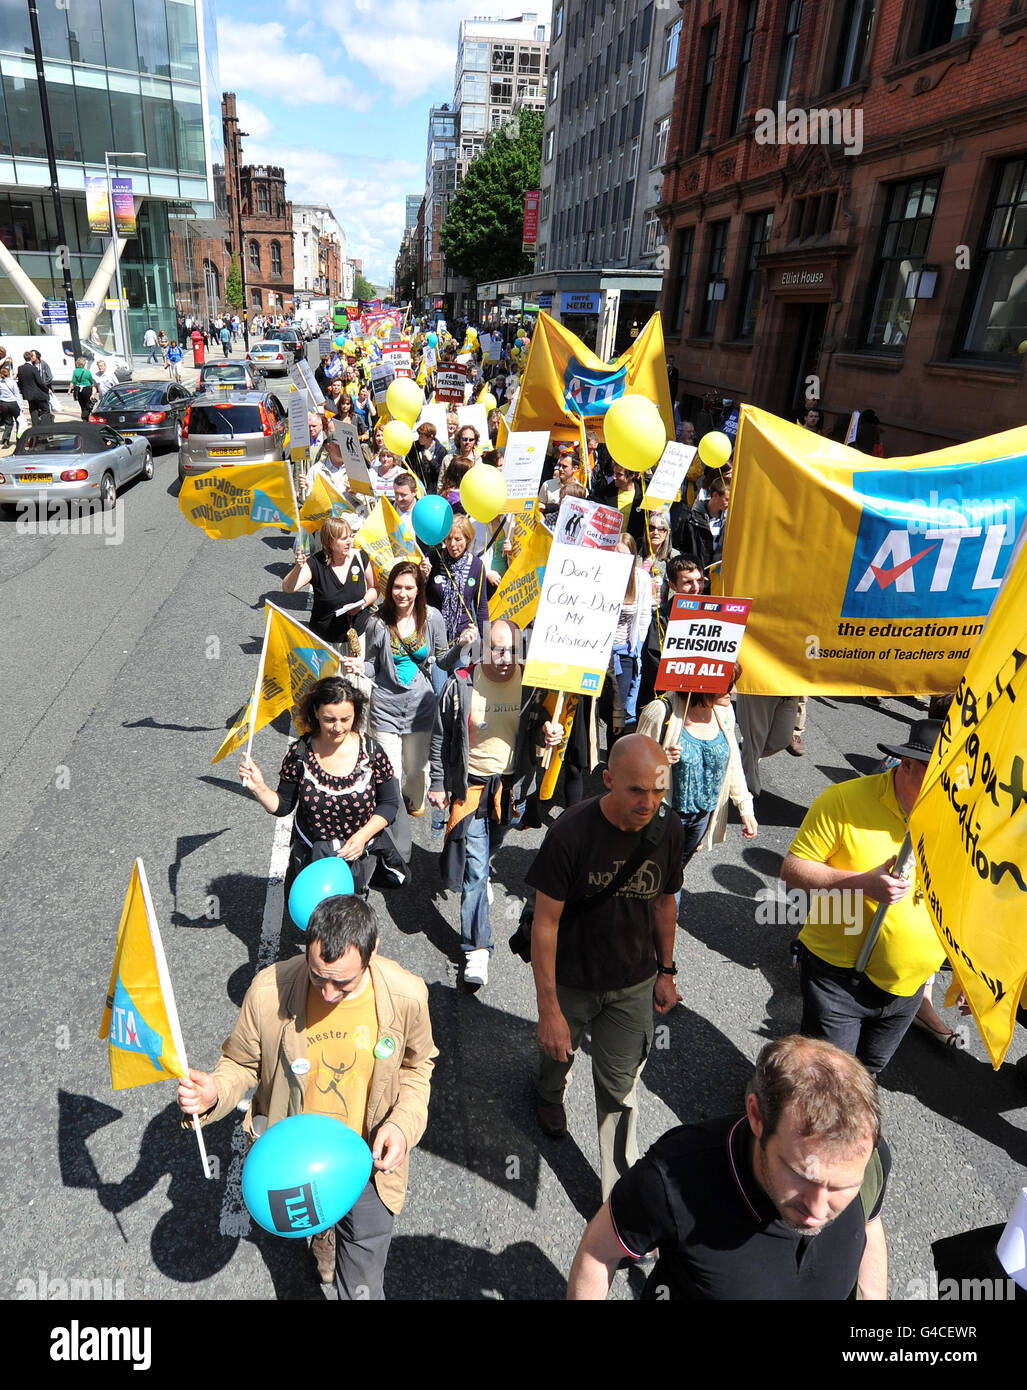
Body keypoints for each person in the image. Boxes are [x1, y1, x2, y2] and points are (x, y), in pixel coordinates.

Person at [177, 894, 436, 1298]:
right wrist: (214, 1091)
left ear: (373, 951)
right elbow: (241, 1064)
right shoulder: (268, 992)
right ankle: (323, 1235)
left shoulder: (406, 997)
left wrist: (402, 1126)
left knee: (364, 1283)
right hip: (296, 1160)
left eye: (343, 982)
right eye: (318, 977)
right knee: (319, 1228)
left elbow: (417, 1068)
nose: (329, 993)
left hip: (368, 1162)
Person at [567, 1035, 889, 1300]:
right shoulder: (672, 1178)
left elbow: (870, 1226)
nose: (817, 1211)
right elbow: (598, 1254)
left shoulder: (868, 1160)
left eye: (840, 1187)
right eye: (800, 1175)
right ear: (757, 1116)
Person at [527, 734, 685, 1198]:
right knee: (557, 1053)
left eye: (659, 792)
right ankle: (547, 1092)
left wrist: (667, 970)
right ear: (608, 779)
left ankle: (620, 1200)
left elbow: (664, 903)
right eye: (637, 790)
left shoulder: (667, 829)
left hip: (633, 984)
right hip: (572, 980)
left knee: (620, 1092)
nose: (649, 803)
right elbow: (545, 924)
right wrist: (550, 1010)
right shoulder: (570, 835)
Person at [780, 719, 946, 1076]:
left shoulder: (956, 818)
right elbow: (793, 870)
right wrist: (862, 884)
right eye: (938, 776)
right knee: (828, 1078)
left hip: (908, 988)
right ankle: (777, 1122)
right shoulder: (844, 800)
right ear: (907, 765)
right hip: (837, 977)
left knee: (867, 1072)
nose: (947, 788)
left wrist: (967, 973)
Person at [429, 618, 561, 987]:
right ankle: (477, 949)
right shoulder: (461, 683)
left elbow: (537, 726)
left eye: (512, 649)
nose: (504, 657)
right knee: (474, 871)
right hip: (469, 787)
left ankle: (486, 860)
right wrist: (438, 783)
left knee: (493, 844)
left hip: (510, 788)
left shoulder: (531, 686)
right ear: (482, 648)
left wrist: (548, 732)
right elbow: (440, 737)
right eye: (497, 649)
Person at [238, 676, 404, 900]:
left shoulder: (372, 752)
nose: (338, 728)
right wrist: (259, 788)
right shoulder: (300, 753)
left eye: (346, 719)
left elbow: (389, 804)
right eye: (329, 719)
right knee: (316, 922)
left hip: (358, 856)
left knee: (350, 920)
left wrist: (363, 837)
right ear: (316, 713)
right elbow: (283, 806)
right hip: (311, 856)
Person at [354, 562, 455, 818]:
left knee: (415, 772)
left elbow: (442, 660)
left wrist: (462, 647)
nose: (402, 593)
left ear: (418, 590)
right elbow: (372, 665)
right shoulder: (377, 622)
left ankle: (411, 802)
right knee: (390, 773)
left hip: (421, 706)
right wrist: (358, 666)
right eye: (397, 587)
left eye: (409, 587)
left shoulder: (432, 618)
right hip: (386, 706)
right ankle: (393, 825)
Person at [283, 515, 377, 656]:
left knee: (354, 678)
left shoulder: (360, 557)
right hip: (324, 641)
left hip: (355, 639)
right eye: (344, 538)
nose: (349, 542)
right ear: (330, 542)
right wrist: (298, 567)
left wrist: (362, 605)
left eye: (350, 536)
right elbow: (288, 588)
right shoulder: (316, 563)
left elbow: (374, 588)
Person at [605, 534, 652, 737]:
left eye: (624, 555)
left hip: (623, 653)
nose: (618, 560)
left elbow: (643, 617)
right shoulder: (600, 575)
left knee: (617, 715)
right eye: (613, 554)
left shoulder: (641, 579)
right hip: (599, 652)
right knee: (593, 709)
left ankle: (614, 762)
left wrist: (636, 651)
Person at [426, 515, 490, 643]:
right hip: (433, 633)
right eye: (448, 539)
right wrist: (423, 576)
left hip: (462, 636)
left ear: (468, 539)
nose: (452, 544)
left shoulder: (476, 565)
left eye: (458, 539)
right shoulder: (433, 558)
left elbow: (481, 605)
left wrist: (487, 640)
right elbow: (419, 594)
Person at [676, 474, 730, 576]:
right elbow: (681, 547)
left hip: (718, 575)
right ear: (715, 495)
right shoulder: (690, 518)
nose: (729, 503)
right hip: (695, 573)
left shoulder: (729, 520)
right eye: (726, 499)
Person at [538, 448, 579, 530]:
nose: (560, 469)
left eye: (564, 467)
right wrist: (544, 525)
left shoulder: (581, 491)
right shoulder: (547, 485)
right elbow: (538, 509)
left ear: (574, 468)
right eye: (559, 465)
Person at [406, 420, 447, 494]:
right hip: (418, 488)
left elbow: (442, 472)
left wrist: (431, 460)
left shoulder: (441, 450)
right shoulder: (414, 447)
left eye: (422, 436)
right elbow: (408, 464)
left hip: (434, 489)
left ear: (431, 436)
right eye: (419, 435)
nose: (419, 438)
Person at [16, 352, 51, 426]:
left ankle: (35, 427)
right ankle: (46, 426)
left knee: (33, 410)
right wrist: (47, 389)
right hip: (38, 394)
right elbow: (40, 382)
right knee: (45, 410)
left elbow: (20, 381)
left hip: (28, 394)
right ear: (31, 358)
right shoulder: (33, 368)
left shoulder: (20, 368)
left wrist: (22, 391)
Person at [0, 360, 23, 446]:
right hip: (13, 403)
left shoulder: (0, 383)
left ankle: (6, 439)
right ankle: (19, 438)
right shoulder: (12, 382)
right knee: (18, 421)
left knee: (8, 422)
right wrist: (20, 406)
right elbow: (17, 395)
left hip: (4, 404)